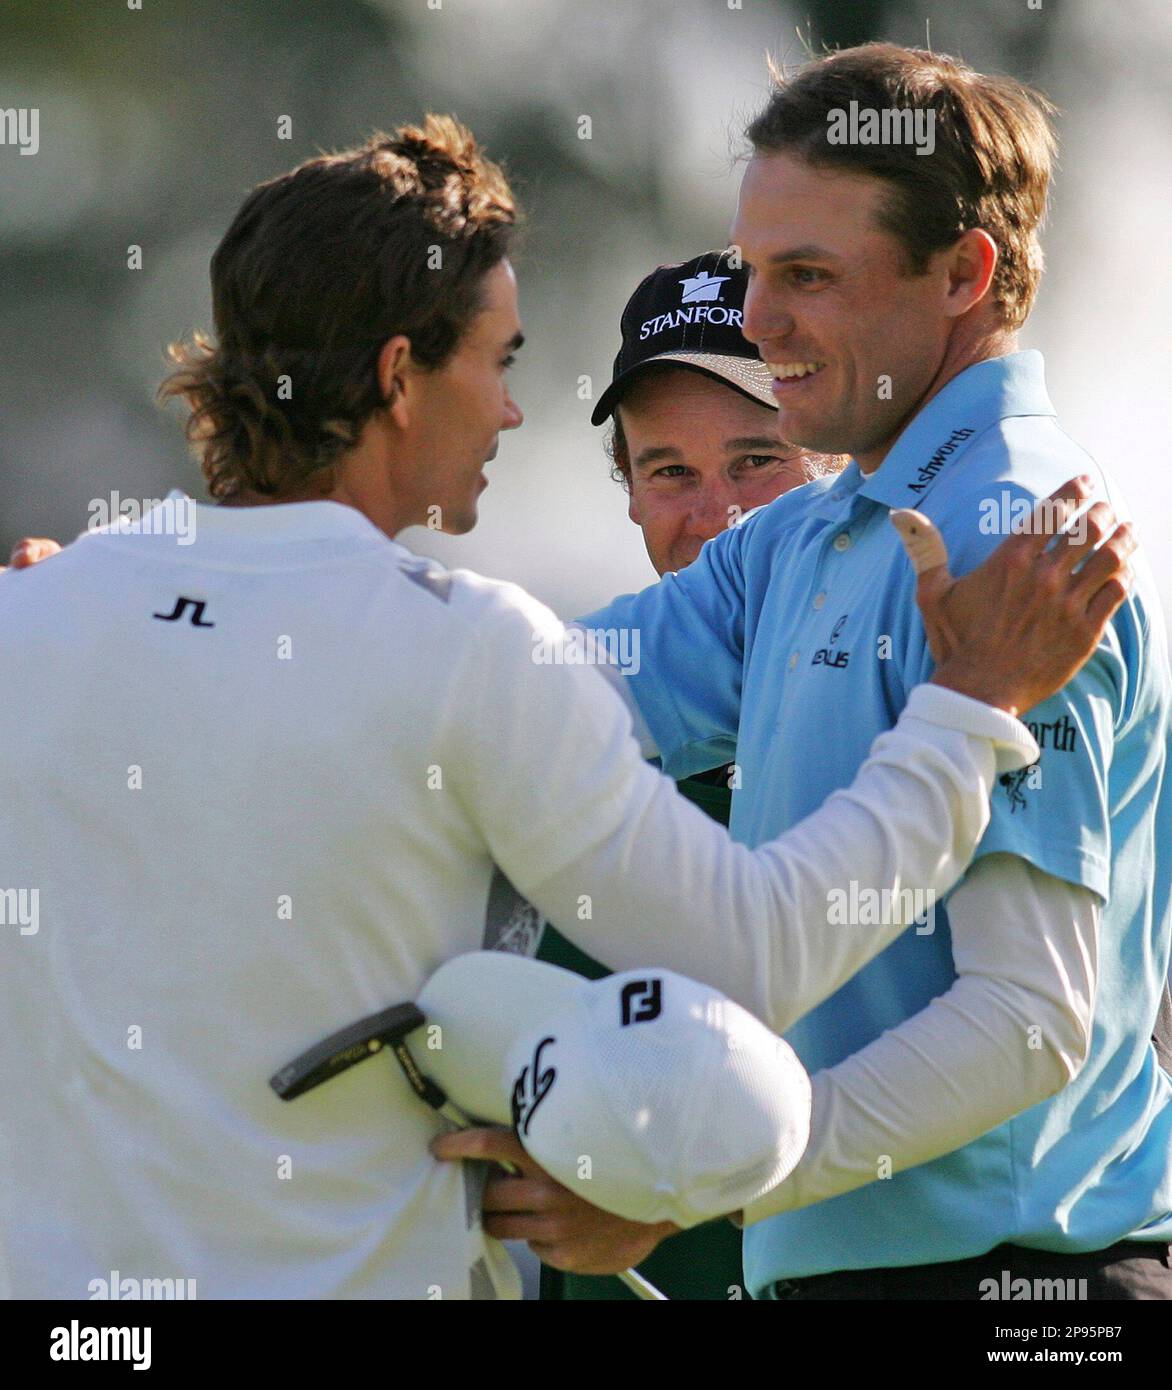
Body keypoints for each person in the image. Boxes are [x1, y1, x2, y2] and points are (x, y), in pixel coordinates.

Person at [0, 115, 1130, 1300]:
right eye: (498, 362)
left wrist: (96, 590)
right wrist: (968, 704)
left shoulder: (39, 619)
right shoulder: (469, 648)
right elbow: (757, 947)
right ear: (398, 378)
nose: (511, 413)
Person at [478, 43, 1172, 1300]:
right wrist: (120, 615)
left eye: (806, 275)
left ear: (963, 273)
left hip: (1021, 1290)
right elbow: (514, 701)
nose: (757, 321)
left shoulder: (1014, 537)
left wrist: (702, 1176)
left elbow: (1025, 1022)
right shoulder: (810, 531)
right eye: (751, 271)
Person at [536, 250, 844, 1299]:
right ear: (625, 494)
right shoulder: (546, 749)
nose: (717, 517)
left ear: (836, 475)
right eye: (668, 471)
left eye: (758, 458)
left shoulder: (937, 711)